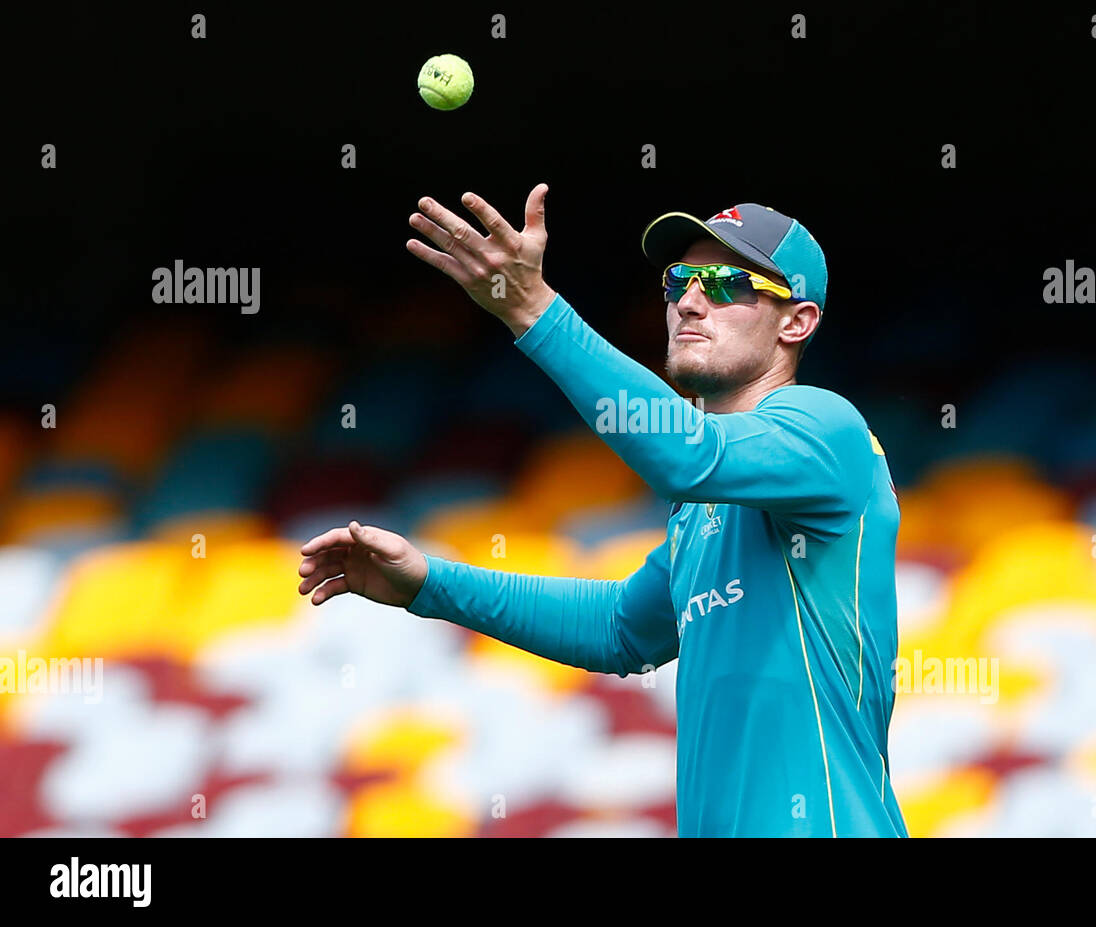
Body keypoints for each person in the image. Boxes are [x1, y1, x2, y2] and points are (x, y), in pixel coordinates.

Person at [297, 186, 908, 837]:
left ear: (797, 321)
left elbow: (688, 455)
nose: (690, 300)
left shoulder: (828, 429)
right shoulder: (702, 510)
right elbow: (621, 628)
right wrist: (430, 582)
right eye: (678, 281)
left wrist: (534, 308)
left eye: (728, 282)